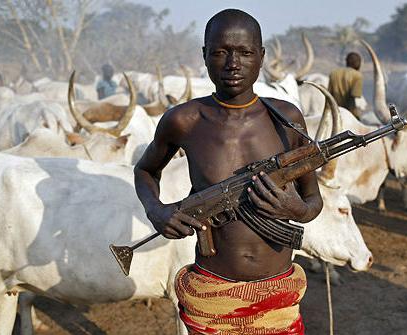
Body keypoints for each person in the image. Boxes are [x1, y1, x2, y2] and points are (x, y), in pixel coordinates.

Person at [133, 9, 323, 334]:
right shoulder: (184, 120)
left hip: (277, 296)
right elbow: (146, 170)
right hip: (211, 297)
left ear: (261, 56)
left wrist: (298, 210)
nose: (233, 64)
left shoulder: (287, 121)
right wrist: (156, 210)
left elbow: (313, 199)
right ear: (204, 55)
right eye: (220, 52)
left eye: (245, 52)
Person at [327, 52, 366, 119]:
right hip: (349, 113)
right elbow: (354, 96)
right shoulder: (357, 75)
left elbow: (329, 95)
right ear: (357, 63)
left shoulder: (333, 73)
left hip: (334, 111)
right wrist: (351, 115)